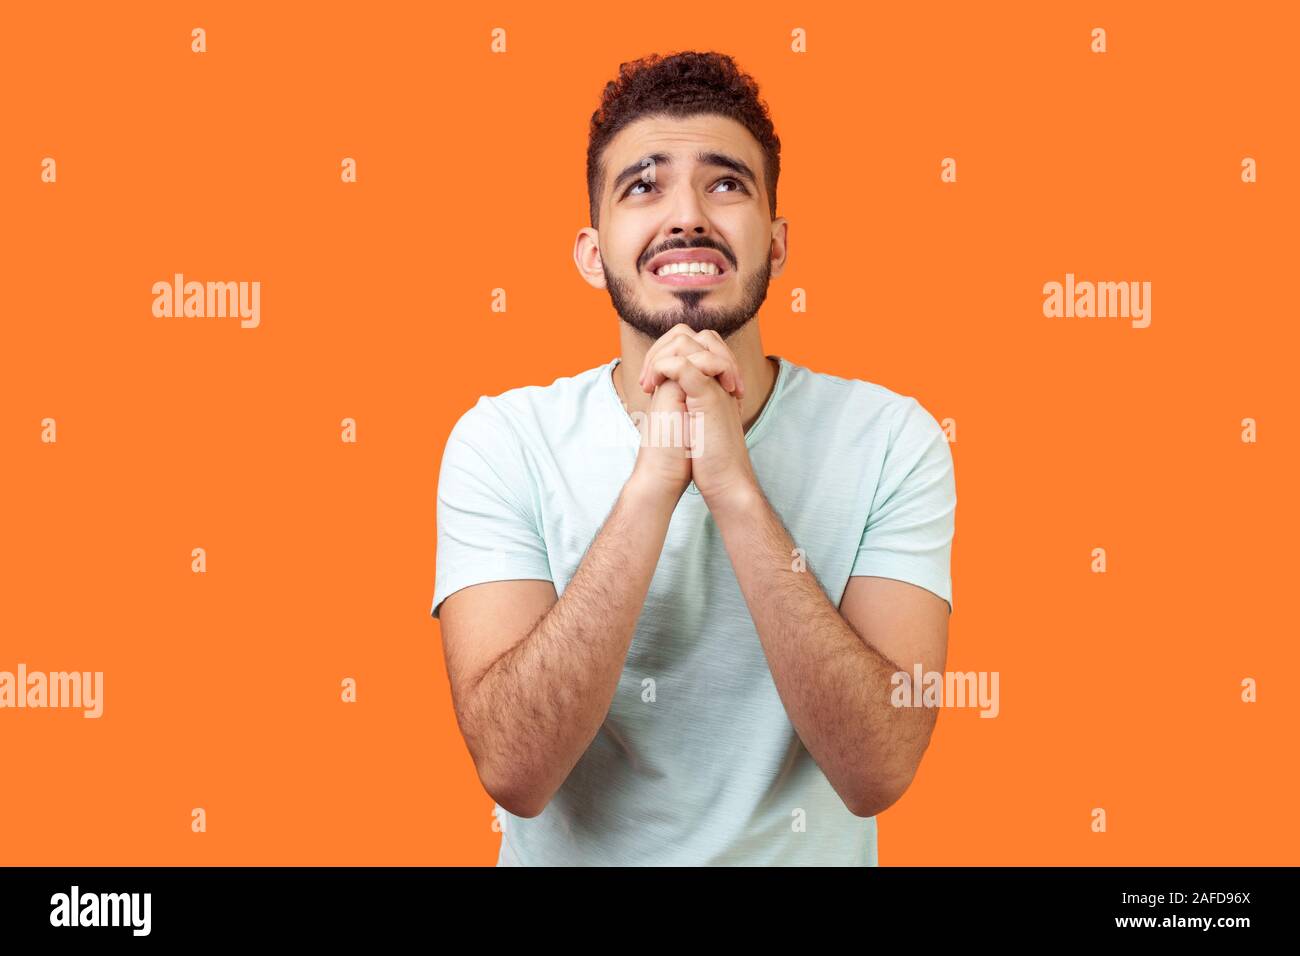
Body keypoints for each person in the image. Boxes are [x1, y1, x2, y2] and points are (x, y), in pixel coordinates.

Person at [431, 50, 956, 865]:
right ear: (591, 250)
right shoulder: (502, 441)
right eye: (643, 186)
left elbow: (879, 767)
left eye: (726, 184)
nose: (686, 217)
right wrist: (653, 481)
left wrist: (735, 488)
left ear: (777, 245)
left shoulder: (892, 437)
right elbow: (513, 768)